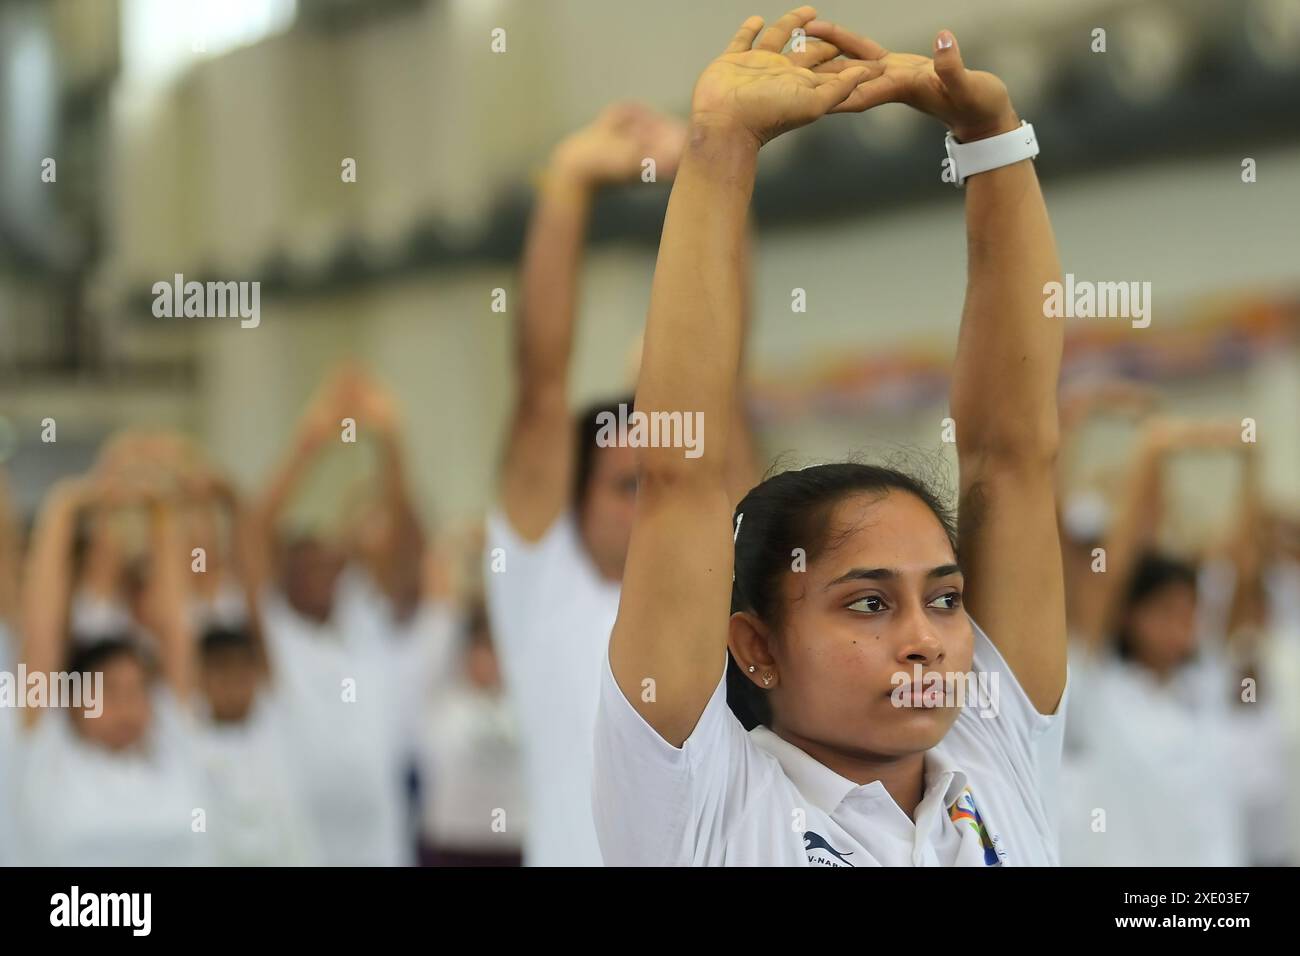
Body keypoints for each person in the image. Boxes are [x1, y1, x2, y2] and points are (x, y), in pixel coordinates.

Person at [593, 7, 1068, 866]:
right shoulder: (701, 807)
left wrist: (994, 137)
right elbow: (681, 474)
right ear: (758, 648)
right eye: (870, 603)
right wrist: (719, 145)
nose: (925, 638)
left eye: (947, 598)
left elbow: (1014, 454)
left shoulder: (994, 761)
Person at [489, 101, 756, 865]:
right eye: (624, 487)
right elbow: (541, 383)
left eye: (658, 481)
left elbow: (725, 374)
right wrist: (569, 183)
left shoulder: (715, 575)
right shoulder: (543, 579)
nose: (653, 506)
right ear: (572, 504)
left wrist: (720, 170)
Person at [1060, 418, 1286, 866]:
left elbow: (1241, 556)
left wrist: (1251, 461)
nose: (1180, 627)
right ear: (1128, 616)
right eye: (1164, 612)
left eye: (1189, 613)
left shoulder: (1203, 682)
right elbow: (1114, 567)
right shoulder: (1099, 684)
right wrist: (1152, 452)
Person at [13, 467, 210, 866]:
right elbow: (41, 635)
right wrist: (65, 506)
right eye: (108, 693)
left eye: (138, 692)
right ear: (73, 703)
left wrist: (160, 514)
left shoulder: (171, 746)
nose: (127, 707)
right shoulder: (49, 753)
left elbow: (175, 629)